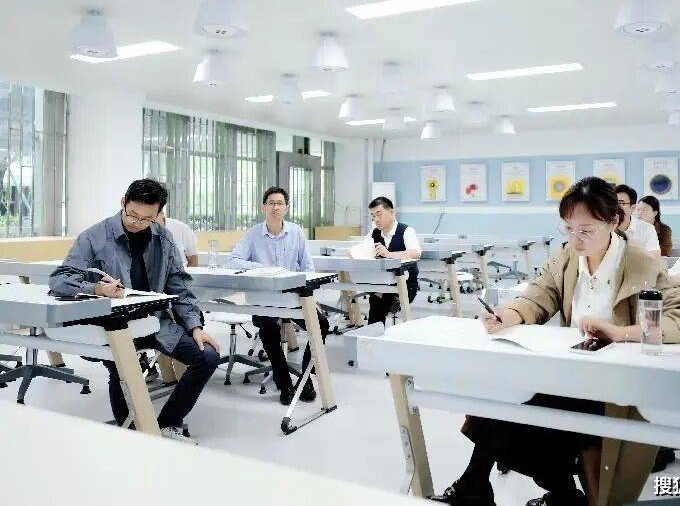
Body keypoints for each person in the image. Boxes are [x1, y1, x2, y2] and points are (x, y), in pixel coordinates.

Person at [430, 177, 680, 506]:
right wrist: (507, 315)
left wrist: (622, 333)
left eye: (586, 230)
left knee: (519, 420)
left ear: (614, 222)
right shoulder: (568, 257)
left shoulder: (640, 263)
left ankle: (538, 492)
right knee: (498, 402)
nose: (575, 238)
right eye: (568, 228)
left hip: (616, 382)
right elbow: (539, 296)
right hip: (572, 372)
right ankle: (500, 487)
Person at [49, 178, 219, 443]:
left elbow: (180, 286)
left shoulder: (164, 238)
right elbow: (59, 280)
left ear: (159, 214)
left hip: (154, 322)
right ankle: (131, 439)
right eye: (132, 215)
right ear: (123, 203)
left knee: (207, 356)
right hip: (114, 325)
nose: (137, 223)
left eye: (146, 218)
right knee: (122, 367)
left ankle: (167, 423)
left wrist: (195, 327)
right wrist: (97, 288)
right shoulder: (94, 237)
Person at [228, 186, 326, 405]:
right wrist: (262, 268)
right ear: (263, 207)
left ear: (286, 208)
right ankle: (284, 383)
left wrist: (309, 295)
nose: (275, 207)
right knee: (268, 328)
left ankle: (306, 379)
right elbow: (233, 260)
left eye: (280, 203)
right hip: (264, 298)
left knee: (322, 323)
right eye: (271, 203)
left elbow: (308, 266)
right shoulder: (254, 233)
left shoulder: (296, 232)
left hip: (293, 297)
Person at [349, 196, 421, 326]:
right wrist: (354, 253)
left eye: (379, 214)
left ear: (392, 212)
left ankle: (376, 330)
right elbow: (363, 249)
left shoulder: (406, 231)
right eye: (373, 216)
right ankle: (374, 332)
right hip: (381, 282)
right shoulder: (374, 233)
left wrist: (388, 254)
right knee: (376, 298)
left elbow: (415, 253)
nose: (376, 219)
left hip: (405, 284)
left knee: (377, 301)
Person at [614, 184, 661, 258]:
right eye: (613, 202)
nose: (616, 207)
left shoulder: (647, 229)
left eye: (621, 203)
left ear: (633, 207)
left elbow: (654, 258)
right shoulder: (603, 227)